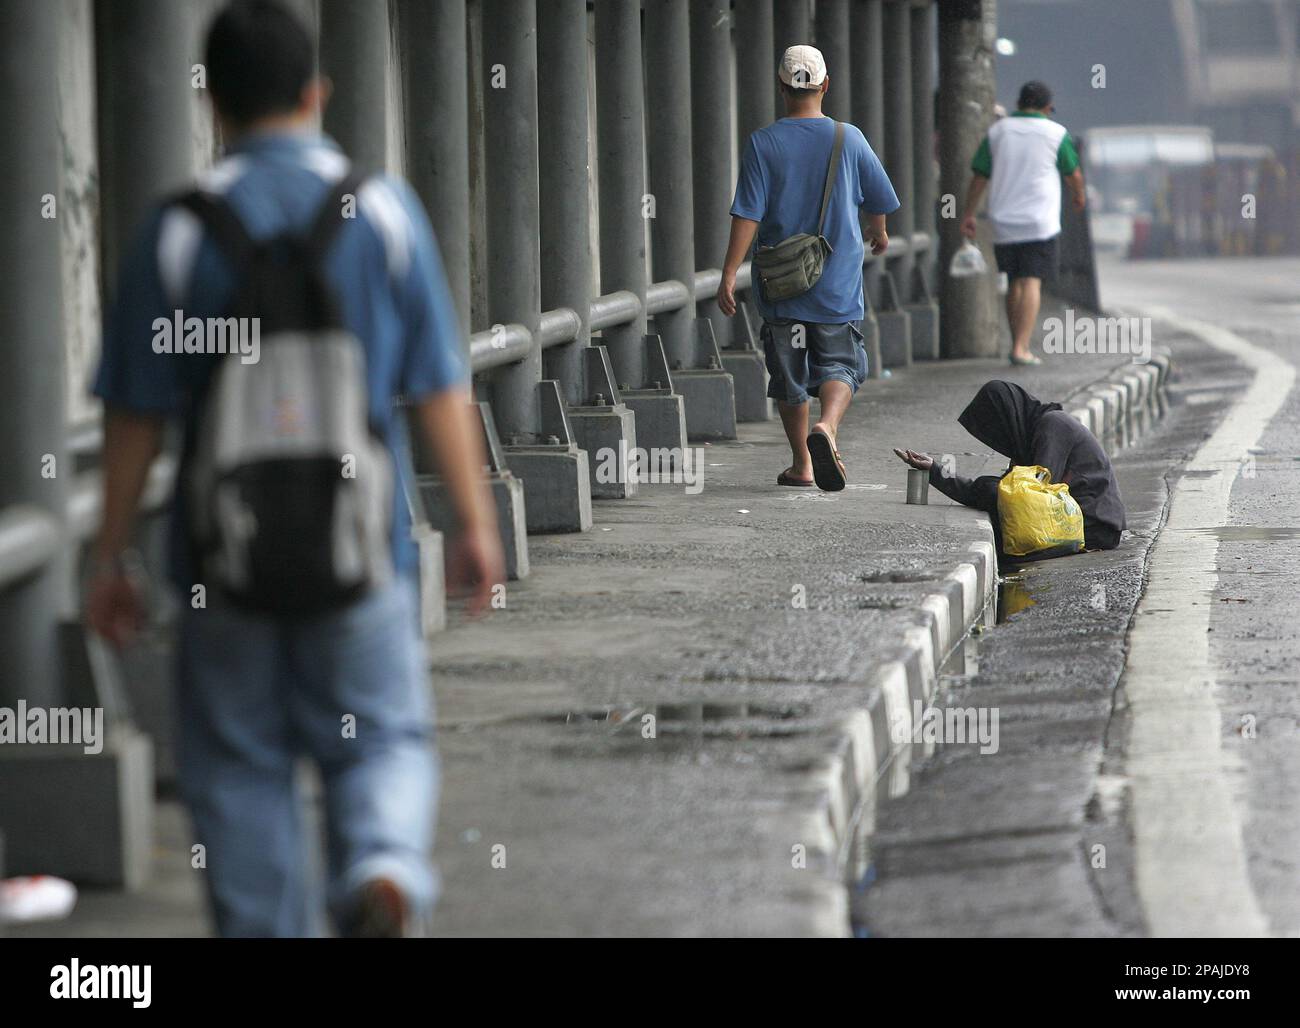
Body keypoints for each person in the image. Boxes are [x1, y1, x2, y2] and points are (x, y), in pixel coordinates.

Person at [86, 0, 504, 937]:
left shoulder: (177, 232)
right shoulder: (383, 213)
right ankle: (383, 863)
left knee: (238, 767)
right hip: (360, 558)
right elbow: (440, 388)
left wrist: (110, 554)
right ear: (317, 91)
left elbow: (134, 417)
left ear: (215, 103)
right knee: (382, 739)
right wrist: (475, 524)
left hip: (221, 573)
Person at [717, 44, 899, 492]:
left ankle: (801, 463)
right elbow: (879, 199)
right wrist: (879, 232)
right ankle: (829, 427)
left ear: (781, 87)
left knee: (788, 374)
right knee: (841, 363)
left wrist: (728, 273)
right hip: (835, 283)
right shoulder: (849, 138)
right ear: (825, 85)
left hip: (781, 283)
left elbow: (748, 213)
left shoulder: (763, 142)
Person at [895, 380, 1125, 552]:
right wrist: (934, 470)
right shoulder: (1028, 440)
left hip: (1094, 526)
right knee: (989, 489)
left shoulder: (1053, 426)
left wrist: (990, 490)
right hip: (1080, 522)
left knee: (991, 490)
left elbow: (1033, 498)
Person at [960, 81, 1086, 366]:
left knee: (1014, 281)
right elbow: (1073, 173)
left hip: (1003, 220)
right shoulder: (1056, 133)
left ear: (1018, 104)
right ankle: (1021, 347)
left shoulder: (997, 132)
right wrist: (1079, 196)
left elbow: (979, 176)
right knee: (1031, 281)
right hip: (1039, 221)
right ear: (1047, 107)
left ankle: (1016, 342)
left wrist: (967, 213)